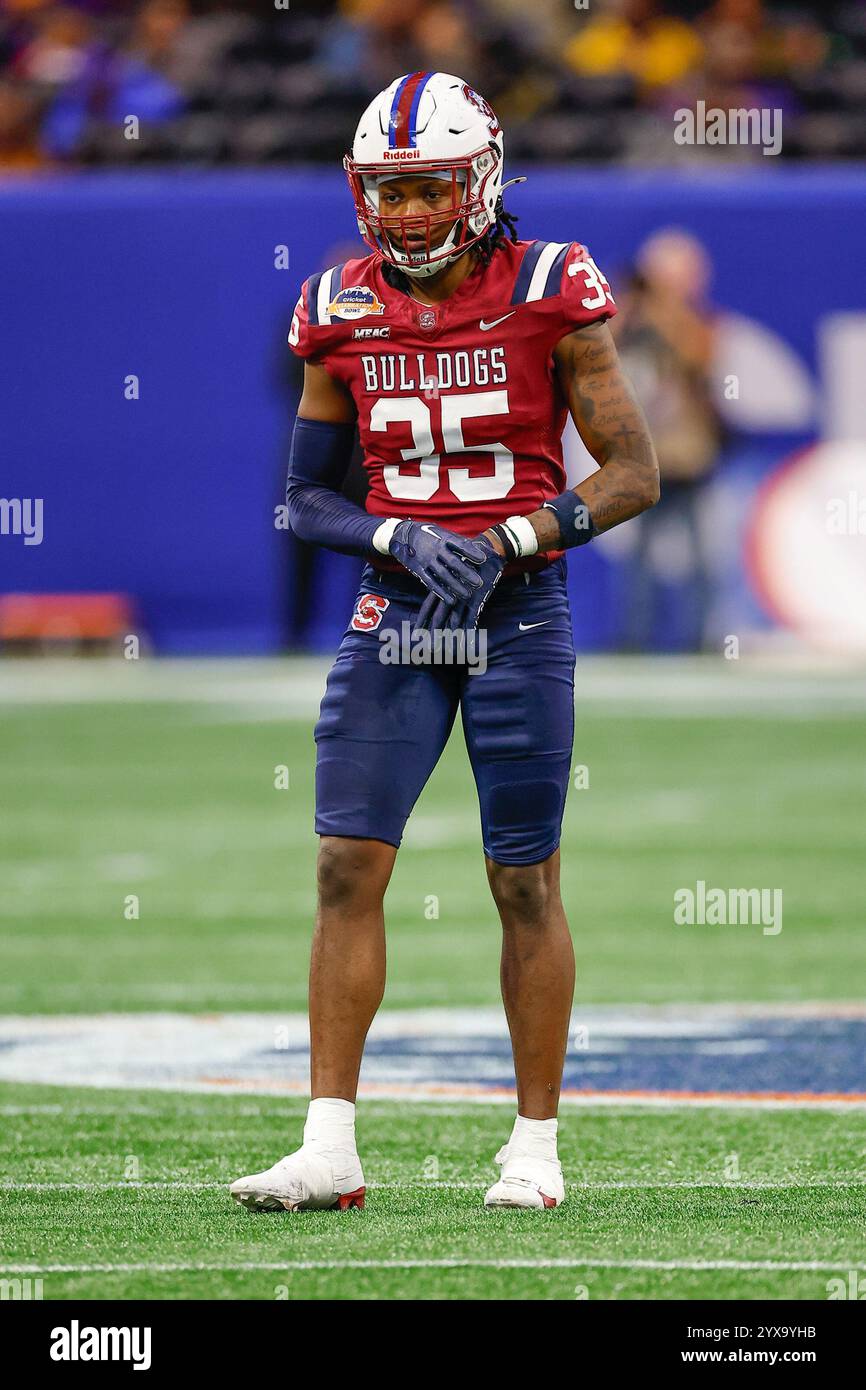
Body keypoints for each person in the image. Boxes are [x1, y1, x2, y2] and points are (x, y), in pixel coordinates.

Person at [230, 69, 658, 1214]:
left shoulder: (548, 285)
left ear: (477, 179)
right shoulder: (338, 305)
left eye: (426, 187)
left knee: (522, 879)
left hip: (517, 612)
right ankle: (329, 1145)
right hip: (398, 613)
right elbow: (306, 498)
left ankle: (533, 1143)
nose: (409, 211)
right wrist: (402, 535)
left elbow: (632, 472)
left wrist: (516, 531)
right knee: (343, 862)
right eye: (389, 190)